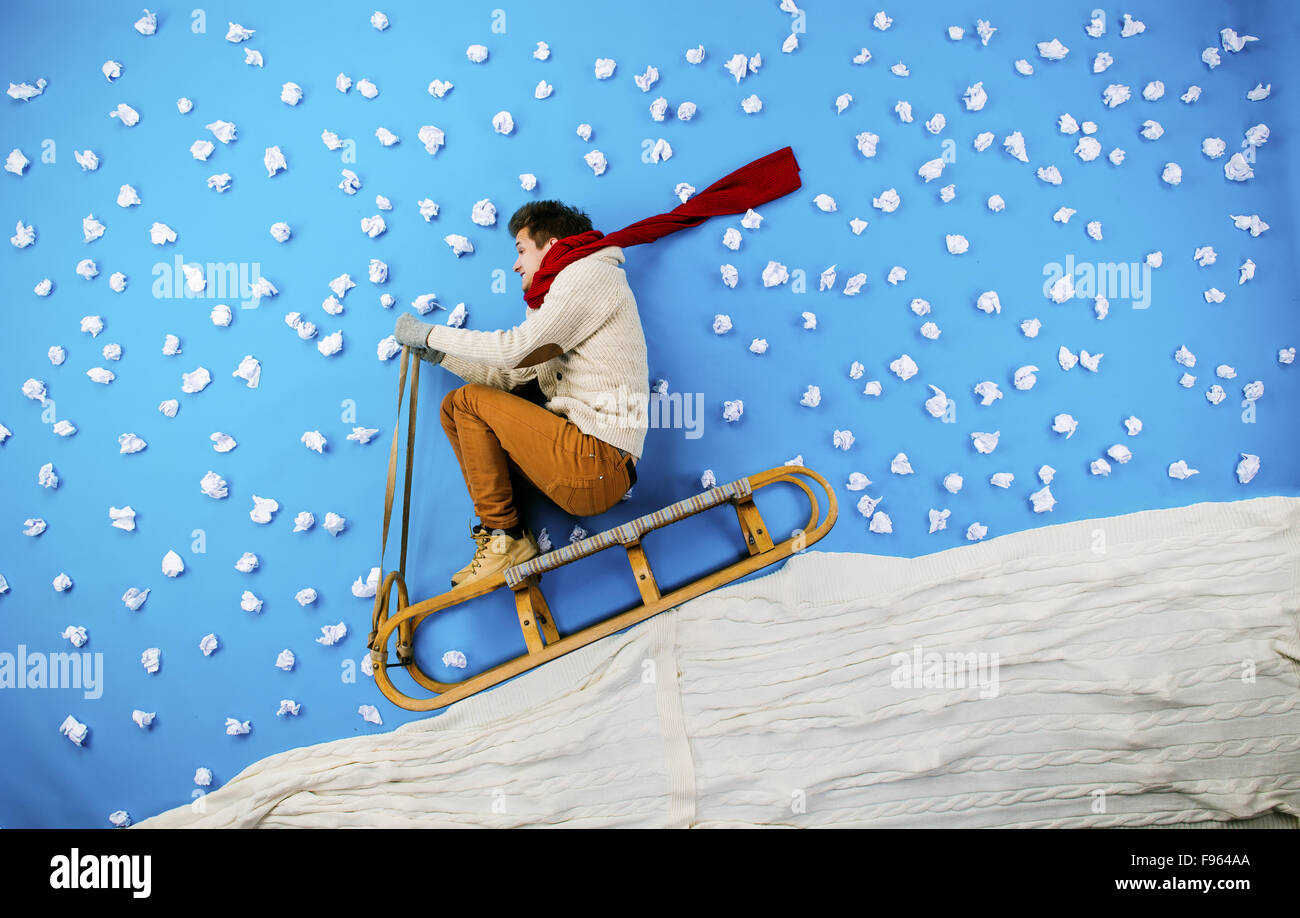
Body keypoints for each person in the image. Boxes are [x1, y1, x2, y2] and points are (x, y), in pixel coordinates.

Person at [393, 201, 648, 588]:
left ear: (551, 244)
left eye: (521, 250)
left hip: (599, 461)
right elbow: (513, 376)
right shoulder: (556, 301)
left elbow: (516, 349)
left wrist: (430, 333)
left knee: (466, 401)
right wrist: (441, 354)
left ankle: (506, 538)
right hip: (584, 460)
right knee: (454, 409)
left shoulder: (589, 275)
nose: (515, 265)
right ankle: (504, 535)